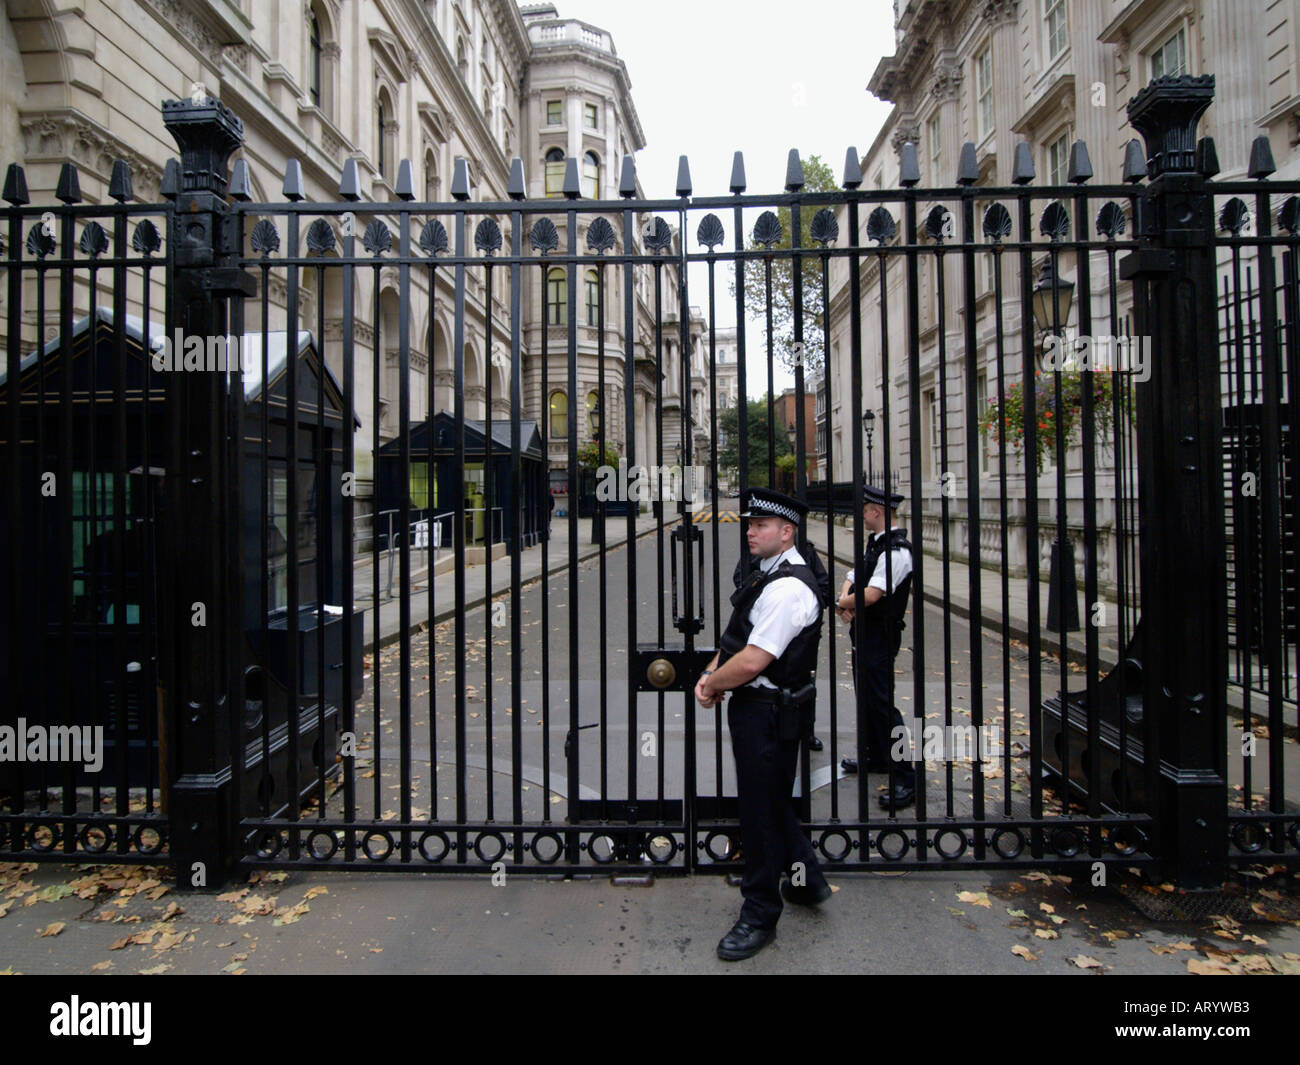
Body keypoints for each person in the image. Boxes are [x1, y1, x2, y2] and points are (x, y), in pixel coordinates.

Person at [696, 487, 830, 961]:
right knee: (770, 801)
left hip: (769, 714)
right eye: (749, 525)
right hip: (756, 709)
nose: (749, 532)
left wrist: (714, 684)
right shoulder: (765, 576)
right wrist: (714, 670)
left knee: (758, 815)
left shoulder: (789, 587)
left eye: (759, 526)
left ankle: (759, 914)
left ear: (787, 532)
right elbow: (737, 637)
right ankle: (807, 881)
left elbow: (753, 660)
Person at [835, 484, 916, 809]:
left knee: (882, 703)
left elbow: (871, 594)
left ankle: (905, 778)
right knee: (866, 697)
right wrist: (846, 601)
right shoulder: (877, 545)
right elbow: (855, 575)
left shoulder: (897, 551)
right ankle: (876, 757)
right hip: (865, 632)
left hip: (881, 636)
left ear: (877, 512)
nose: (861, 514)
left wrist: (844, 602)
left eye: (865, 509)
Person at [731, 534, 831, 752]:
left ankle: (806, 730)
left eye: (761, 525)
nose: (752, 532)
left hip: (797, 634)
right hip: (764, 630)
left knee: (802, 681)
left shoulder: (805, 550)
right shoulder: (756, 551)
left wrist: (804, 609)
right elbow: (739, 579)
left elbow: (824, 586)